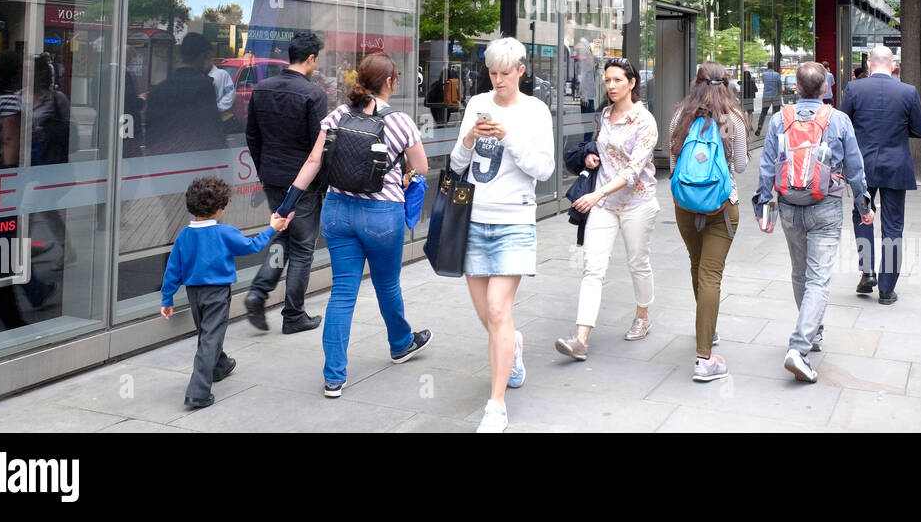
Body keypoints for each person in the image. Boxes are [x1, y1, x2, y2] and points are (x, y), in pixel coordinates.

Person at [277, 52, 432, 396]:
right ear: (390, 81)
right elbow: (420, 168)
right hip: (382, 216)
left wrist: (287, 206)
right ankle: (400, 343)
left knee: (343, 292)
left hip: (337, 213)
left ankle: (334, 376)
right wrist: (403, 176)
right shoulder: (400, 121)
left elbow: (314, 160)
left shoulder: (337, 114)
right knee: (387, 284)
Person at [450, 37, 555, 432]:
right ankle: (514, 346)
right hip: (473, 220)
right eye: (492, 74)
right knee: (490, 318)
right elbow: (459, 163)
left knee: (498, 309)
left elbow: (543, 171)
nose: (498, 81)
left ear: (521, 71)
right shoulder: (478, 104)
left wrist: (508, 136)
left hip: (515, 220)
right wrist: (471, 138)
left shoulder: (536, 111)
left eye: (505, 74)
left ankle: (496, 405)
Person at [755, 61, 870, 382]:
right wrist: (863, 205)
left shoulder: (780, 119)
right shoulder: (839, 120)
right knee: (818, 279)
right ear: (825, 89)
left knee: (799, 273)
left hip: (789, 205)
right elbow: (855, 168)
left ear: (796, 87)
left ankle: (813, 332)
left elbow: (767, 165)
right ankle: (799, 347)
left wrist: (764, 204)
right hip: (827, 205)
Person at [555, 57, 659, 362]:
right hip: (603, 204)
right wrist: (591, 159)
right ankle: (581, 339)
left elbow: (632, 171)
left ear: (632, 83)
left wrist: (596, 193)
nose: (611, 86)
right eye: (607, 80)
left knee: (638, 263)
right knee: (593, 268)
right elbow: (601, 149)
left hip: (637, 203)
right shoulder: (604, 114)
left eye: (617, 80)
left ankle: (643, 315)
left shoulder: (645, 121)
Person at [160, 176, 291, 408]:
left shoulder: (184, 236)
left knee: (207, 332)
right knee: (211, 336)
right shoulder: (225, 232)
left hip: (194, 294)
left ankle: (219, 366)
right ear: (219, 209)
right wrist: (272, 228)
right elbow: (252, 246)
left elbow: (173, 270)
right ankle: (198, 391)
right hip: (217, 293)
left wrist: (167, 297)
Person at [667, 60, 750, 382]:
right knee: (711, 276)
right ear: (726, 84)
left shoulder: (681, 116)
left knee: (696, 264)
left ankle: (707, 331)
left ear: (696, 83)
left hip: (685, 205)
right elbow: (741, 166)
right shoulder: (732, 119)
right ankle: (704, 358)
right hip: (722, 206)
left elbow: (673, 163)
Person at [244, 31, 329, 334]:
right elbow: (319, 145)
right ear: (309, 58)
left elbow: (252, 136)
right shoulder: (313, 94)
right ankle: (293, 315)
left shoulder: (262, 89)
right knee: (303, 246)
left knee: (282, 237)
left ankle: (258, 292)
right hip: (302, 182)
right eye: (316, 60)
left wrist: (263, 169)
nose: (316, 66)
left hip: (272, 176)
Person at [842, 45, 921, 304]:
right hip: (896, 167)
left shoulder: (854, 89)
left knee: (862, 214)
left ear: (869, 65)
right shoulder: (907, 91)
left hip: (863, 168)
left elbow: (843, 125)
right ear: (893, 66)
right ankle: (887, 289)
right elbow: (920, 129)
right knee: (893, 225)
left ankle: (867, 270)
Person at [144, 33, 225, 156]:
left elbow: (150, 137)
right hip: (196, 162)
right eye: (209, 57)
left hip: (164, 163)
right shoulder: (203, 87)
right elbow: (213, 132)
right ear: (202, 56)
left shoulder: (157, 91)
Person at [754, 60, 783, 135]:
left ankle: (759, 127)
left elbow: (764, 82)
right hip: (775, 95)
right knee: (776, 113)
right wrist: (780, 94)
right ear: (773, 67)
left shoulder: (764, 74)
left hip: (766, 95)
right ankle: (775, 129)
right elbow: (779, 85)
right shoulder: (777, 75)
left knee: (763, 112)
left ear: (767, 67)